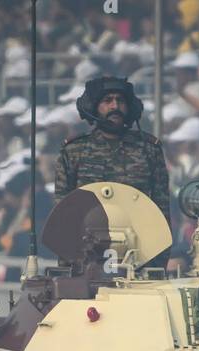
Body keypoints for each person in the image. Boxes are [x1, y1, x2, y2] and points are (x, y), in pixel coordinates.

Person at [55, 76, 171, 245]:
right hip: (86, 252)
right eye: (107, 101)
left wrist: (157, 260)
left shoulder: (149, 150)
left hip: (138, 249)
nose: (115, 106)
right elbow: (63, 210)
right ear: (94, 106)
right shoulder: (74, 151)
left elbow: (161, 209)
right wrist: (68, 261)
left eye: (120, 101)